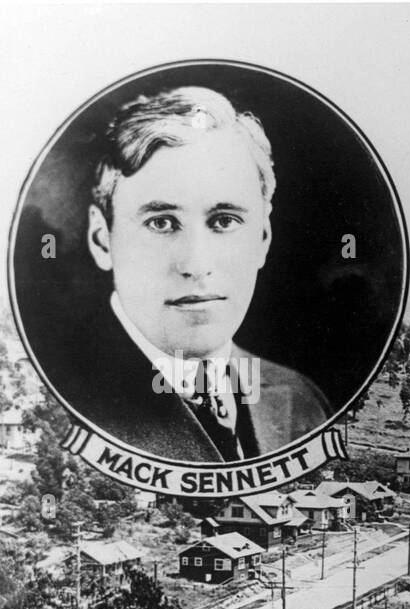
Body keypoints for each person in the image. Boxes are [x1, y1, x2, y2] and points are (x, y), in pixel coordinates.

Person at [72, 85, 329, 462]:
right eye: (161, 222)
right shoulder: (59, 401)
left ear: (263, 237)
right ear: (101, 239)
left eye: (224, 221)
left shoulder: (301, 402)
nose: (195, 264)